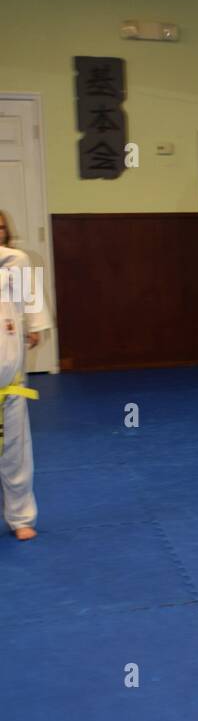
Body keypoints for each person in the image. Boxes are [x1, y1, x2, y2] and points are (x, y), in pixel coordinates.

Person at [0, 211, 52, 540]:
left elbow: (27, 301)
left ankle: (20, 517)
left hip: (11, 381)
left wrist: (33, 325)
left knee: (16, 452)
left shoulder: (13, 265)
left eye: (1, 227)